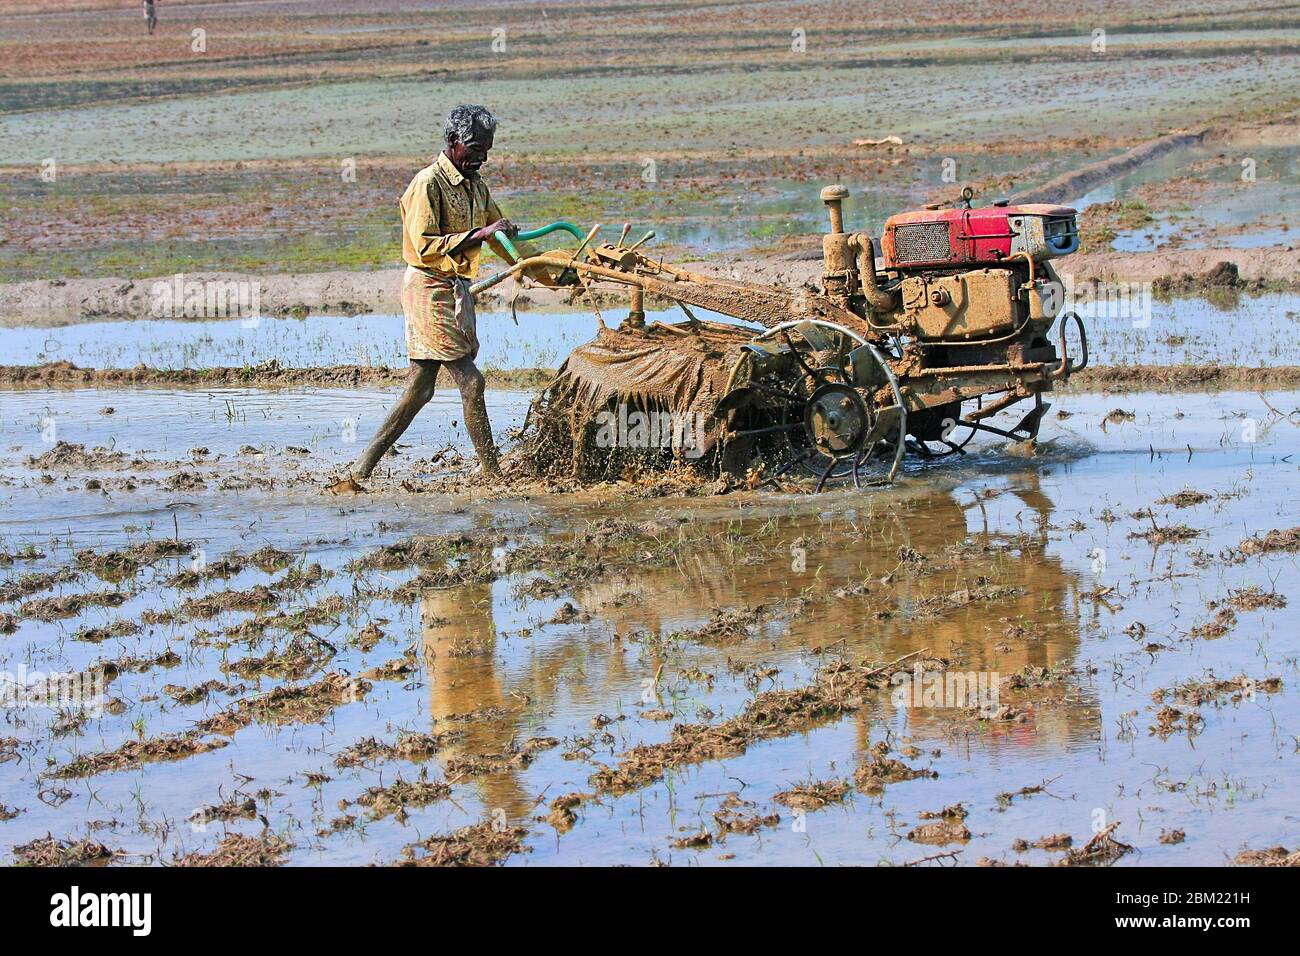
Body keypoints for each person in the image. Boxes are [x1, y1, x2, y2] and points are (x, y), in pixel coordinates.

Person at [345, 105, 516, 486]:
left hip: (454, 288)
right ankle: (494, 473)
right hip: (428, 287)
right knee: (471, 381)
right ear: (453, 142)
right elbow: (423, 247)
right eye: (474, 149)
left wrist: (536, 267)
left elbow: (499, 237)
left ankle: (359, 471)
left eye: (486, 150)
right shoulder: (428, 184)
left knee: (419, 389)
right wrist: (480, 236)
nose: (481, 158)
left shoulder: (476, 186)